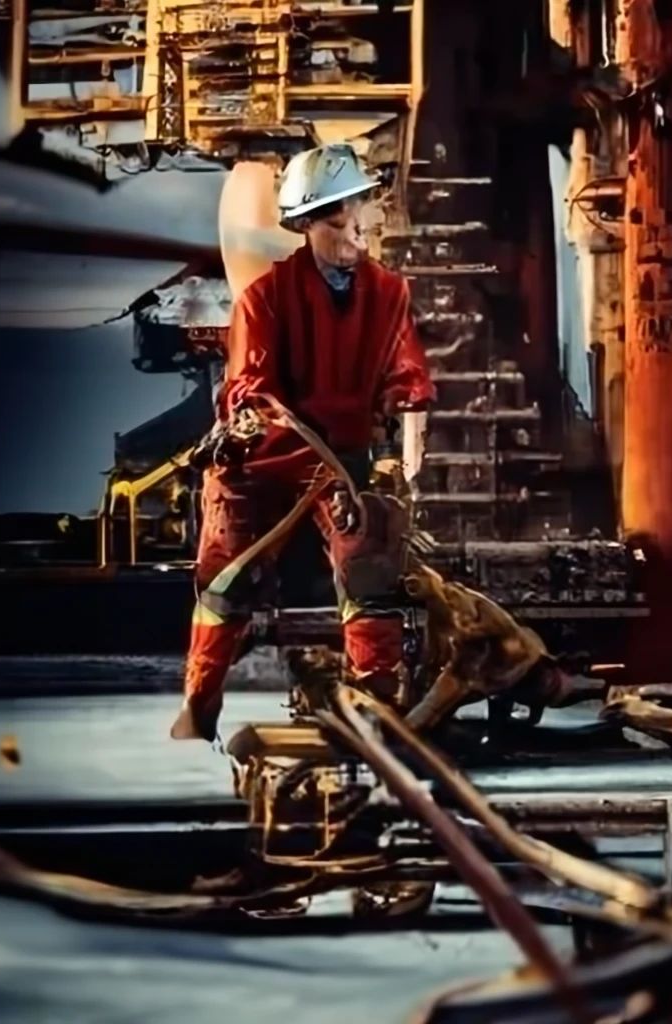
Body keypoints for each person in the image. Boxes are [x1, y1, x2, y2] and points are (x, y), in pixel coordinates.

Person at [171, 144, 435, 742]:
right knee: (224, 585)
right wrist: (243, 432)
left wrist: (407, 458)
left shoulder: (389, 293)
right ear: (305, 226)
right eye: (337, 224)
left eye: (359, 219)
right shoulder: (264, 298)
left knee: (371, 574)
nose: (353, 237)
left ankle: (375, 712)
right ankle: (198, 707)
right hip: (262, 458)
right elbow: (252, 390)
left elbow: (407, 375)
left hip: (342, 454)